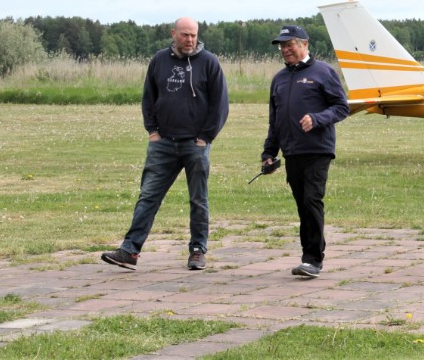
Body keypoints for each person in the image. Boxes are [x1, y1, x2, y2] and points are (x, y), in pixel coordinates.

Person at [101, 17, 229, 271]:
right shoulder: (159, 60)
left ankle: (197, 250)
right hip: (163, 144)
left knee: (198, 199)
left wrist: (205, 137)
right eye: (184, 35)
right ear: (173, 34)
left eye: (193, 35)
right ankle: (129, 250)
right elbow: (149, 97)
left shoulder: (209, 63)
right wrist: (153, 131)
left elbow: (220, 104)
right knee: (148, 196)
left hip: (196, 144)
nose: (190, 40)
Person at [260, 24, 350, 279]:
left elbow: (341, 107)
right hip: (292, 151)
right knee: (302, 204)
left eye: (290, 45)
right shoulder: (279, 79)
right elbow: (275, 120)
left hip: (318, 149)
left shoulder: (323, 72)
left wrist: (317, 118)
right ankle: (311, 253)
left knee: (312, 199)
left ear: (304, 44)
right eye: (282, 46)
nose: (285, 50)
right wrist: (269, 152)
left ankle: (312, 260)